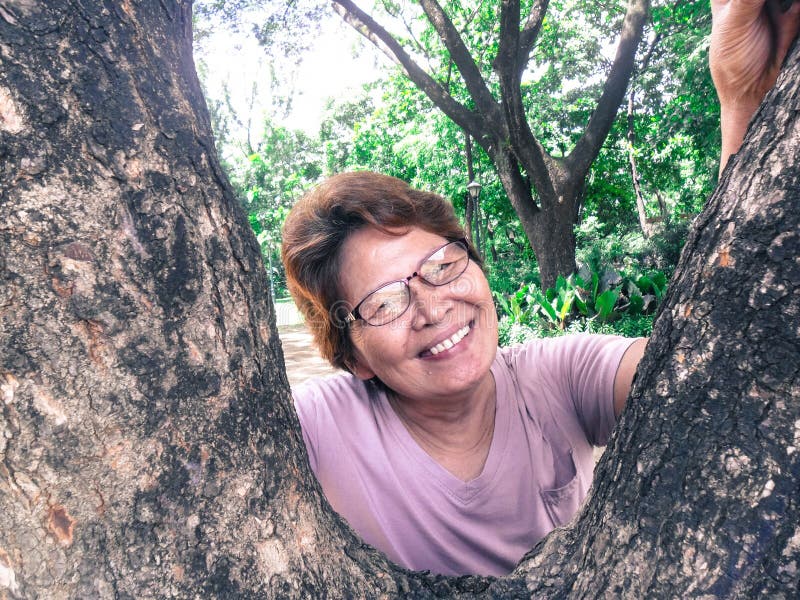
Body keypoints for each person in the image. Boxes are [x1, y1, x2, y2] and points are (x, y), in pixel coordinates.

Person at [280, 0, 799, 577]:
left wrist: (743, 103)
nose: (431, 307)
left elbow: (708, 371)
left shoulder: (555, 377)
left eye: (441, 264)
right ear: (352, 357)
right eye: (384, 302)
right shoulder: (319, 430)